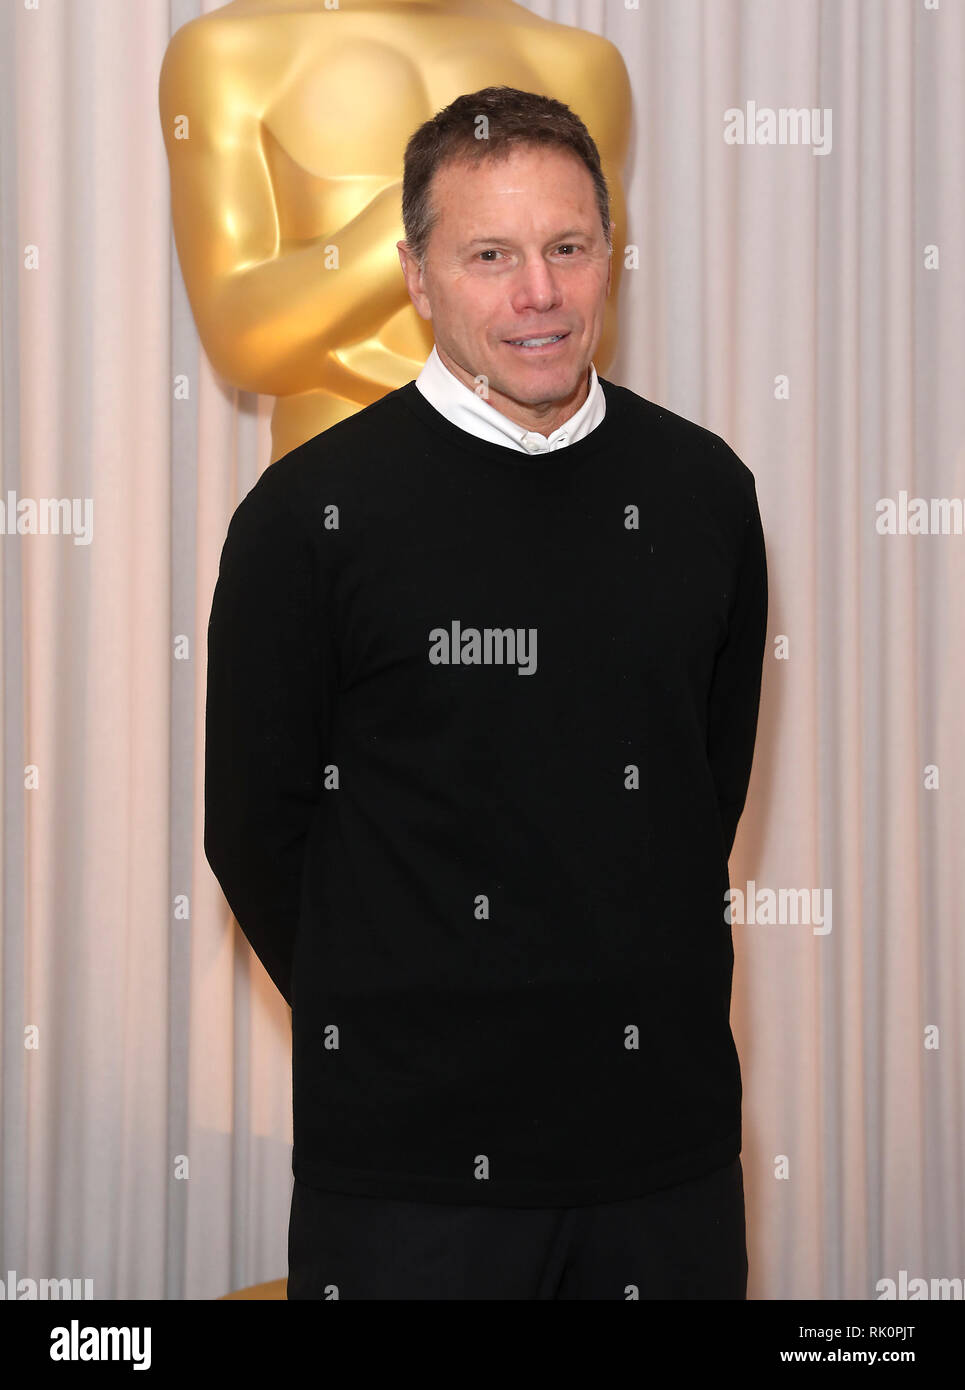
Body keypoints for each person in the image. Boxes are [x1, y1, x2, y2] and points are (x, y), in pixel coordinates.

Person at [203, 86, 768, 1300]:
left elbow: (700, 793)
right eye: (490, 256)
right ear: (416, 278)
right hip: (407, 1182)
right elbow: (253, 830)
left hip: (662, 1164)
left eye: (567, 247)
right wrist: (407, 1017)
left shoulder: (704, 492)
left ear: (608, 255)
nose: (538, 294)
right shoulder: (307, 517)